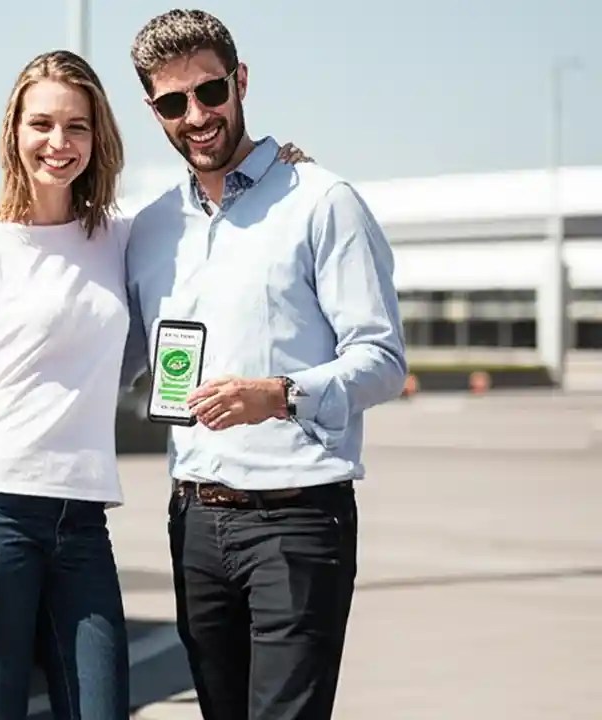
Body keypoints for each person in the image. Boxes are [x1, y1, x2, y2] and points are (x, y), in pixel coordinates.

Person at [123, 9, 407, 720]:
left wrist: (280, 394)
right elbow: (112, 354)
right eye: (172, 102)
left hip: (296, 522)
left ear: (239, 80)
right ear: (152, 109)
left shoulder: (321, 202)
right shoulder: (153, 227)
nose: (197, 115)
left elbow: (381, 359)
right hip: (192, 524)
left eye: (211, 92)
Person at [0, 49, 134, 720]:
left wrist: (275, 168)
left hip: (81, 519)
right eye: (42, 124)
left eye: (77, 127)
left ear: (99, 138)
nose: (58, 143)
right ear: (14, 130)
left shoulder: (119, 238)